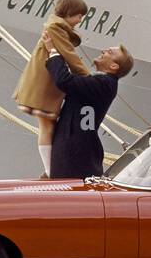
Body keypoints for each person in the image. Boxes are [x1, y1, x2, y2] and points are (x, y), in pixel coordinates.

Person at [13, 0, 90, 177]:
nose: (80, 20)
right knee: (47, 126)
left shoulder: (56, 27)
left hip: (45, 82)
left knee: (49, 126)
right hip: (44, 85)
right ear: (70, 13)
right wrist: (89, 80)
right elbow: (69, 54)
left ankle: (53, 168)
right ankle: (51, 170)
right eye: (79, 16)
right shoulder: (56, 28)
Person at [40, 30, 132, 179]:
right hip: (75, 155)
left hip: (75, 157)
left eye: (109, 52)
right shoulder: (101, 83)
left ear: (114, 66)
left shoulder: (103, 84)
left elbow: (65, 81)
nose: (103, 51)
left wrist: (53, 52)